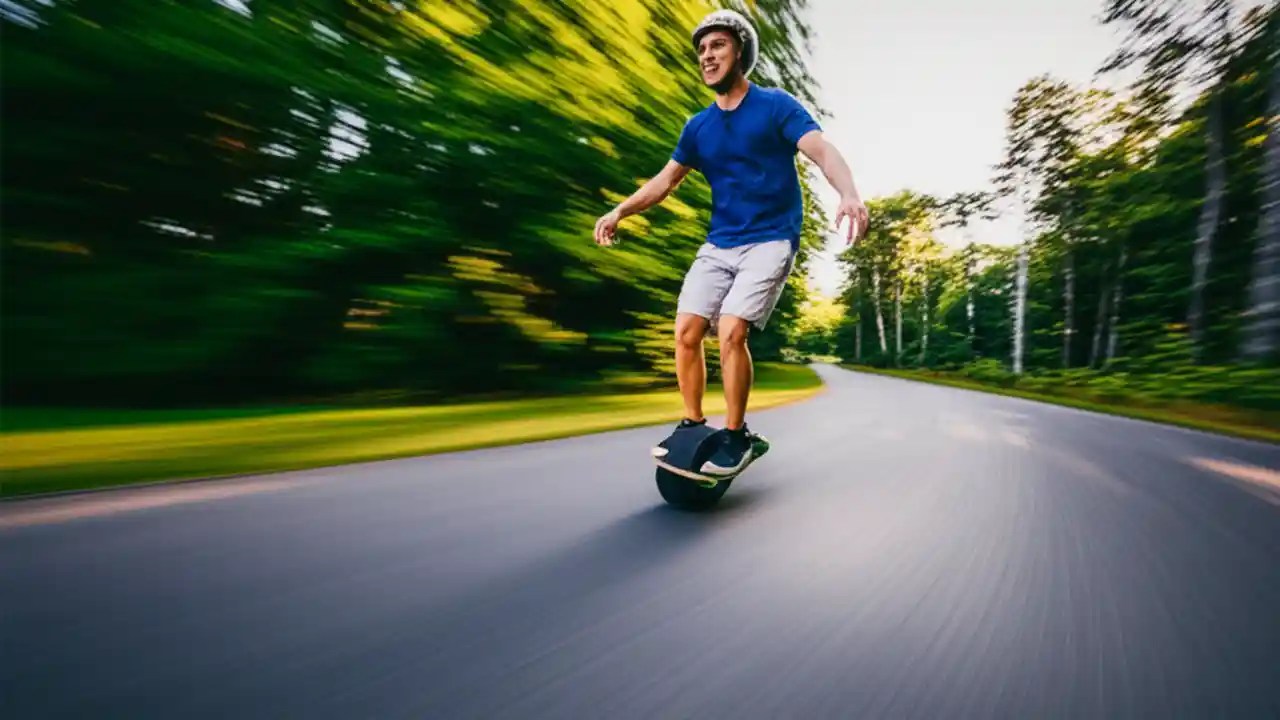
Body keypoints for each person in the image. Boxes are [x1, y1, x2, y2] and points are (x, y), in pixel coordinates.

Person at [593, 9, 868, 479]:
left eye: (717, 46)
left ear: (739, 50)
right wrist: (620, 210)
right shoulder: (697, 127)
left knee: (732, 329)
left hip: (771, 238)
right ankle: (693, 425)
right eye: (701, 50)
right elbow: (664, 181)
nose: (707, 56)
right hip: (721, 242)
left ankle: (738, 434)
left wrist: (848, 193)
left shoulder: (776, 106)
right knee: (685, 331)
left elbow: (821, 149)